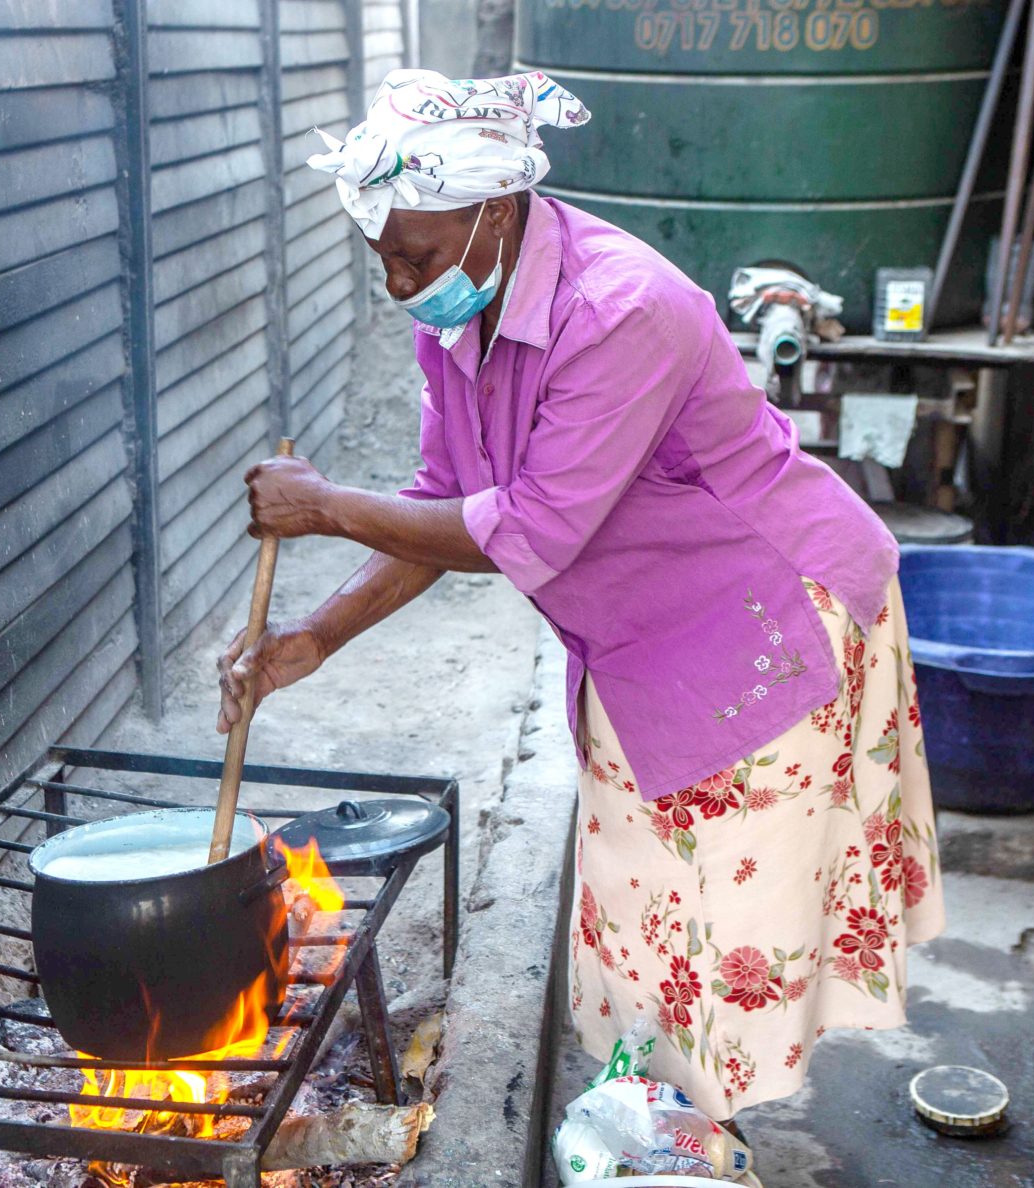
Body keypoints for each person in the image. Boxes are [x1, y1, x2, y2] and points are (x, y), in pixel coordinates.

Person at [215, 68, 944, 1127]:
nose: (399, 282)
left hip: (768, 618)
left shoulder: (620, 308)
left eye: (416, 256)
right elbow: (440, 502)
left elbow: (530, 530)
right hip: (643, 637)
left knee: (731, 929)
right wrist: (316, 637)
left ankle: (689, 1142)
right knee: (650, 919)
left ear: (500, 209)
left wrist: (326, 507)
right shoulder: (453, 314)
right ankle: (663, 1126)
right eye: (382, 258)